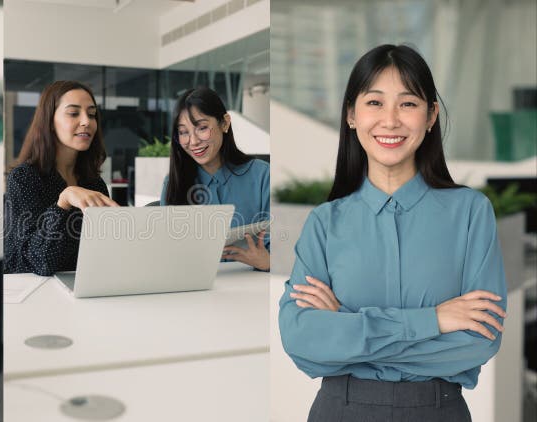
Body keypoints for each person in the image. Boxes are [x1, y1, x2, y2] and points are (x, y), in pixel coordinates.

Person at [278, 44, 507, 421]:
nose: (390, 120)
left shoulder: (470, 212)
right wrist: (432, 320)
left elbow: (479, 341)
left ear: (431, 115)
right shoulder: (324, 222)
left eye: (408, 103)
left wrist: (347, 330)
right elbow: (302, 340)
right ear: (351, 115)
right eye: (374, 103)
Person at [5, 80, 118, 276]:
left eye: (92, 114)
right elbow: (39, 261)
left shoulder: (94, 183)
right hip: (33, 293)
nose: (86, 121)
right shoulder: (24, 178)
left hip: (82, 288)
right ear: (49, 122)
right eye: (74, 113)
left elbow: (101, 253)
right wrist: (63, 202)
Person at [161, 87, 270, 271]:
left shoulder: (262, 176)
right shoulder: (174, 182)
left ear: (225, 123)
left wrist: (268, 262)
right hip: (194, 292)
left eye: (202, 128)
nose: (193, 141)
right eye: (183, 132)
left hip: (254, 291)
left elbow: (288, 254)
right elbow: (166, 255)